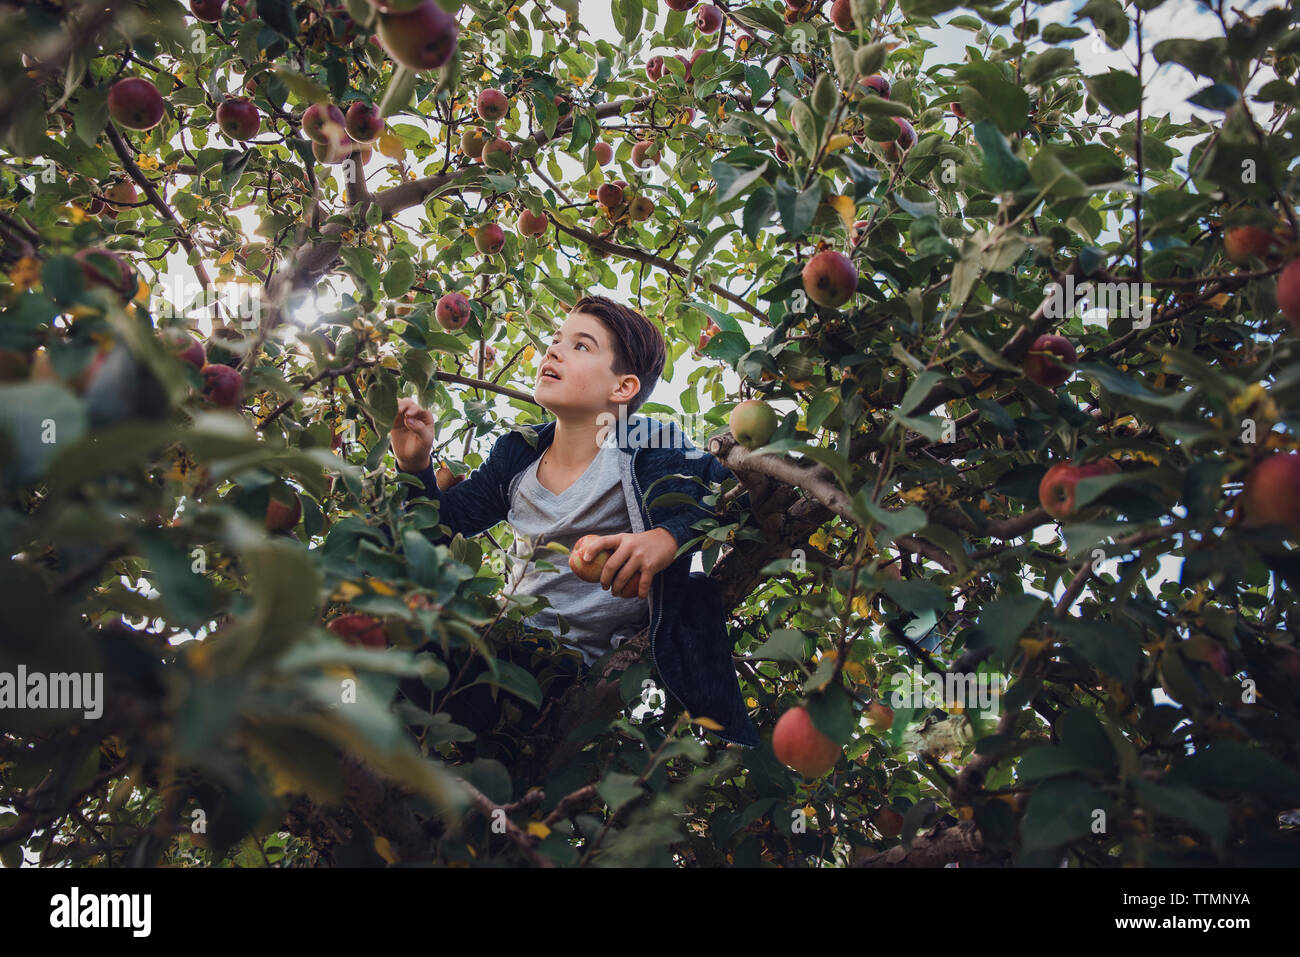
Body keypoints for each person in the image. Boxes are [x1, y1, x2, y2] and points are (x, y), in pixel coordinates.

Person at [388, 294, 760, 754]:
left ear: (623, 389)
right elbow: (440, 529)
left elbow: (739, 496)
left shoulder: (651, 445)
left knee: (406, 654)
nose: (554, 350)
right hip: (495, 642)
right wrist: (414, 465)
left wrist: (666, 537)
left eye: (581, 346)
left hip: (560, 669)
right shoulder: (517, 455)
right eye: (556, 340)